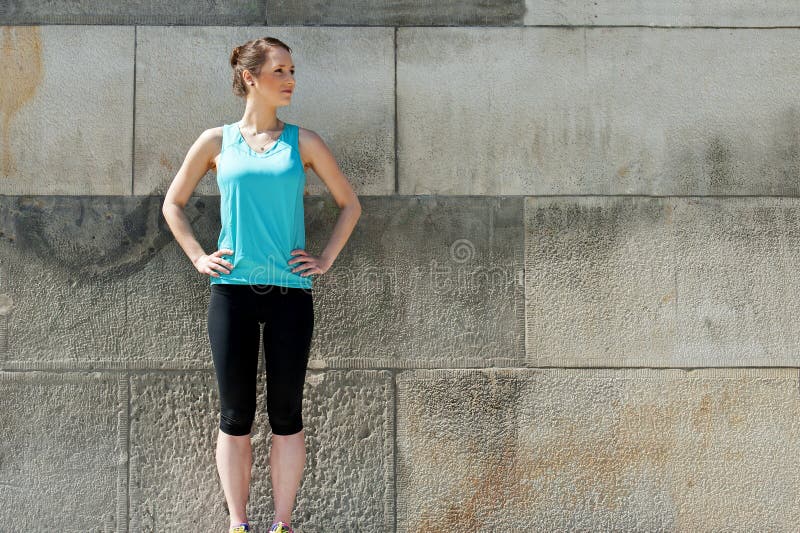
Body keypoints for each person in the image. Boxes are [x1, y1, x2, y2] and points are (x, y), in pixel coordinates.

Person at [162, 36, 362, 533]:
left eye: (292, 70)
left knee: (286, 414)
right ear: (250, 78)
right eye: (280, 71)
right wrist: (198, 257)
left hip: (291, 296)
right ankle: (237, 523)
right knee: (235, 415)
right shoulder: (216, 141)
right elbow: (173, 204)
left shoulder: (304, 142)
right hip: (231, 294)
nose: (290, 79)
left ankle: (282, 524)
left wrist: (325, 258)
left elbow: (350, 205)